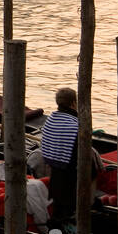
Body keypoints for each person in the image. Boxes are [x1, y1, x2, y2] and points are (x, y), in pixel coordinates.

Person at [40, 87, 80, 225]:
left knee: (58, 205)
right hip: (69, 172)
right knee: (66, 207)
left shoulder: (51, 119)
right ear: (74, 103)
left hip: (54, 169)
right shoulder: (76, 124)